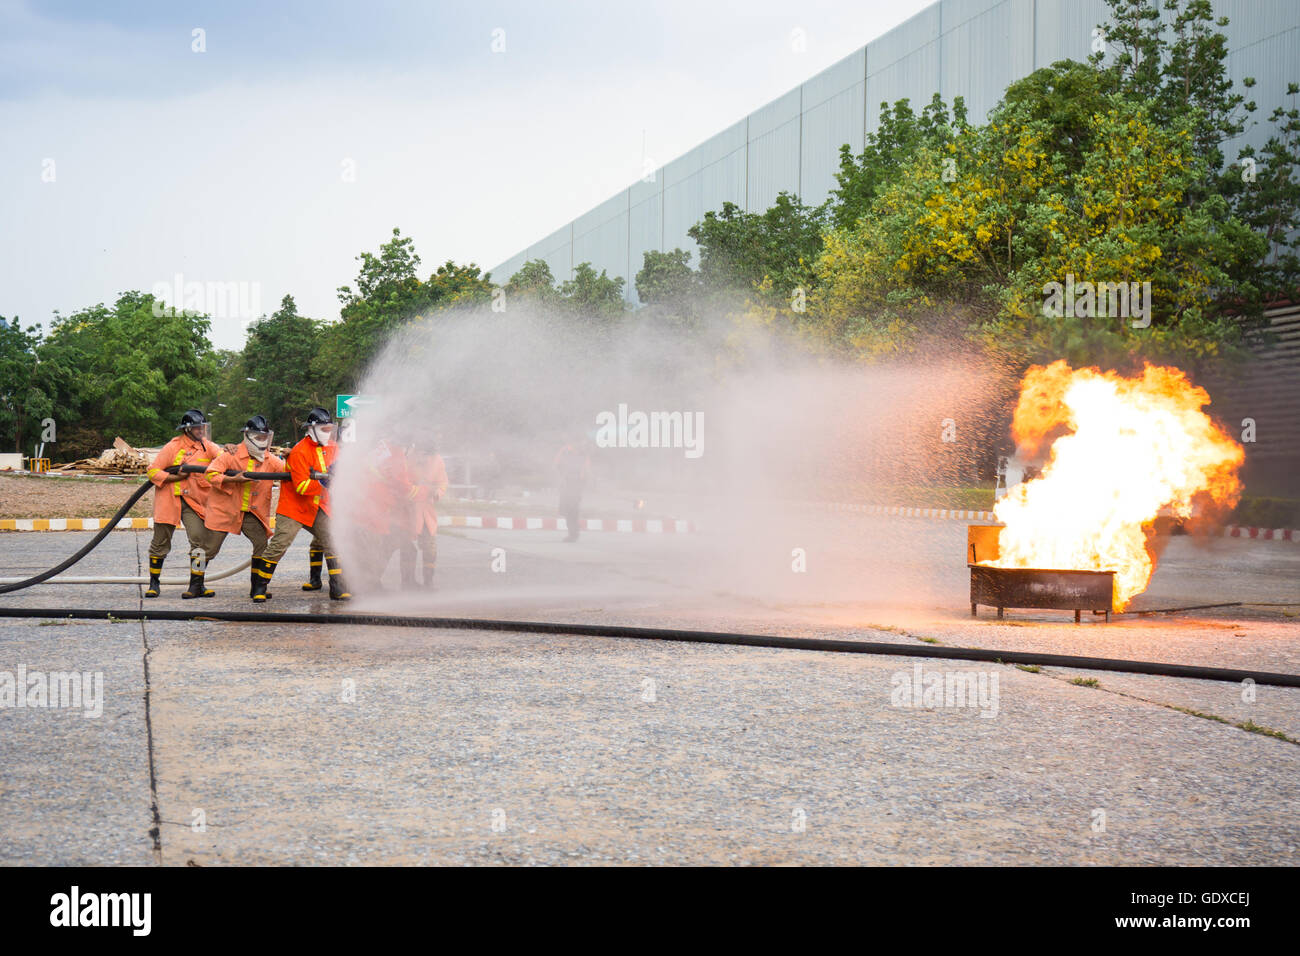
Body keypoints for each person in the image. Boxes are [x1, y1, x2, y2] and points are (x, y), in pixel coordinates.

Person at [253, 407, 350, 602]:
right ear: (311, 429)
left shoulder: (334, 448)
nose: (328, 433)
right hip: (294, 508)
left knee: (333, 542)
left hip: (318, 507)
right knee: (279, 545)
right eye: (324, 429)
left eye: (329, 429)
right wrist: (326, 482)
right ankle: (259, 587)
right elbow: (303, 487)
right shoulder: (299, 452)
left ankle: (337, 588)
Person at [202, 415, 285, 599]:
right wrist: (232, 479)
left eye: (265, 438)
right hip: (225, 509)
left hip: (251, 512)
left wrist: (293, 456)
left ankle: (257, 588)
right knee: (208, 549)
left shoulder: (270, 459)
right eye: (259, 437)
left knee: (261, 544)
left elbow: (288, 471)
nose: (262, 442)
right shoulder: (230, 454)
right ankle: (195, 582)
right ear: (247, 436)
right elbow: (210, 474)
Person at [144, 408, 222, 599]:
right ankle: (154, 583)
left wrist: (231, 451)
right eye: (196, 428)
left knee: (199, 542)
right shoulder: (173, 447)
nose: (200, 430)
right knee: (160, 542)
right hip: (170, 499)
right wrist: (174, 477)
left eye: (202, 427)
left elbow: (223, 459)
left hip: (193, 502)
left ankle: (197, 584)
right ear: (187, 429)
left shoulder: (207, 446)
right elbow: (152, 471)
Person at [402, 434, 448, 588]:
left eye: (427, 454)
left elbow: (442, 483)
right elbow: (401, 482)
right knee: (407, 547)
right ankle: (407, 582)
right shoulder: (408, 458)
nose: (424, 457)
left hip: (426, 510)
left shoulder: (438, 460)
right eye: (421, 452)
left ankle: (429, 582)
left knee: (430, 548)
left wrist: (437, 493)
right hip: (408, 509)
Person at [555, 435, 590, 542]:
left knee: (573, 509)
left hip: (577, 485)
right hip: (566, 483)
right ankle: (573, 532)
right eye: (581, 442)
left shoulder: (583, 453)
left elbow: (587, 469)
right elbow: (557, 464)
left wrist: (583, 482)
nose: (582, 444)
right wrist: (562, 477)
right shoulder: (565, 451)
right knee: (566, 510)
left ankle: (573, 533)